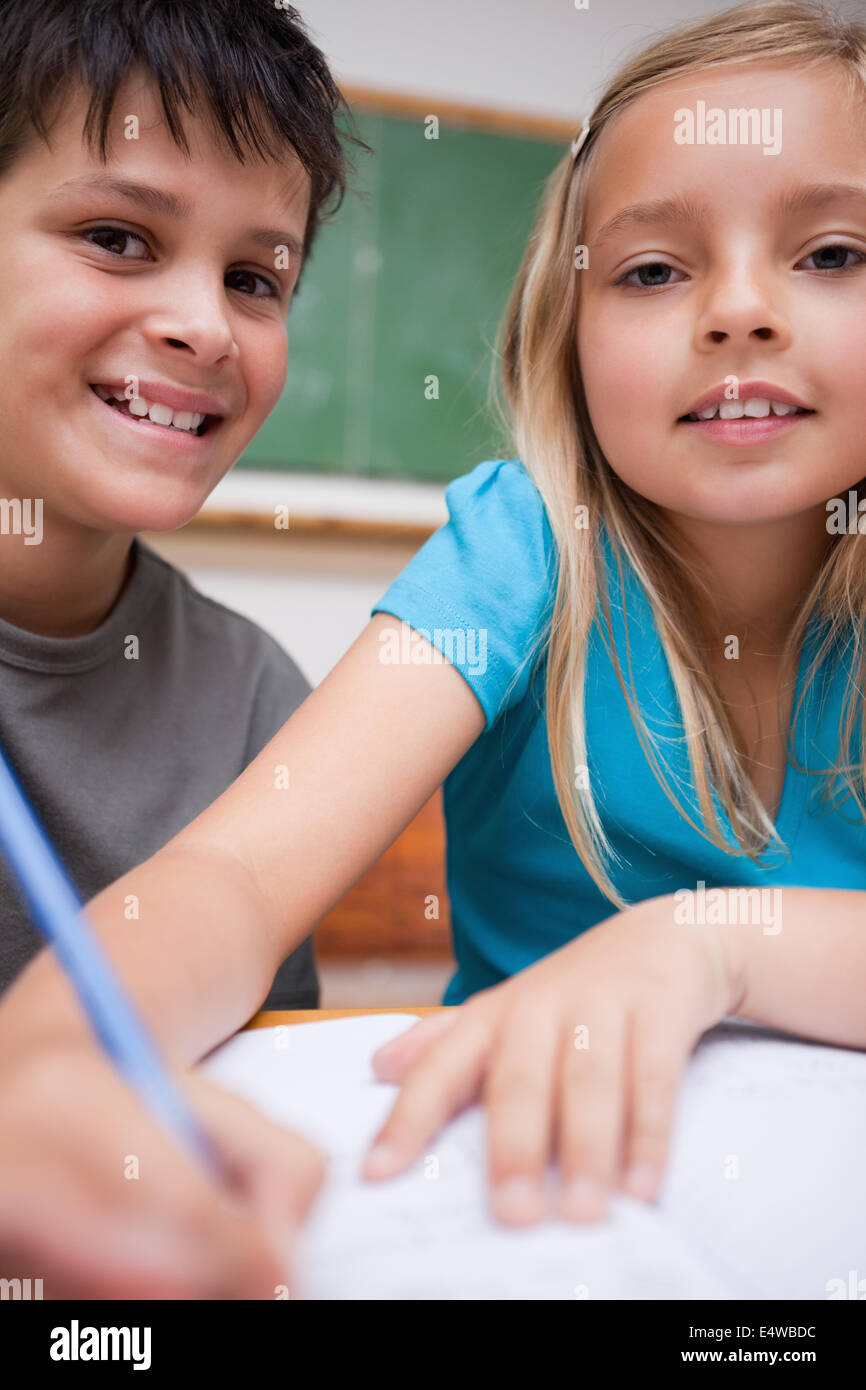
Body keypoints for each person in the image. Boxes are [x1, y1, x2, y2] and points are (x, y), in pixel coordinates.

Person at [3, 0, 866, 1295]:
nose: (738, 311)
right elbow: (234, 877)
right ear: (565, 337)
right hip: (530, 1216)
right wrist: (55, 1055)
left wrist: (711, 939)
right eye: (648, 271)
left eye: (834, 253)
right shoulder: (521, 549)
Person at [0, 0, 371, 1296]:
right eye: (118, 237)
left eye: (253, 278)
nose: (204, 326)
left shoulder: (258, 697)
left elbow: (258, 1082)